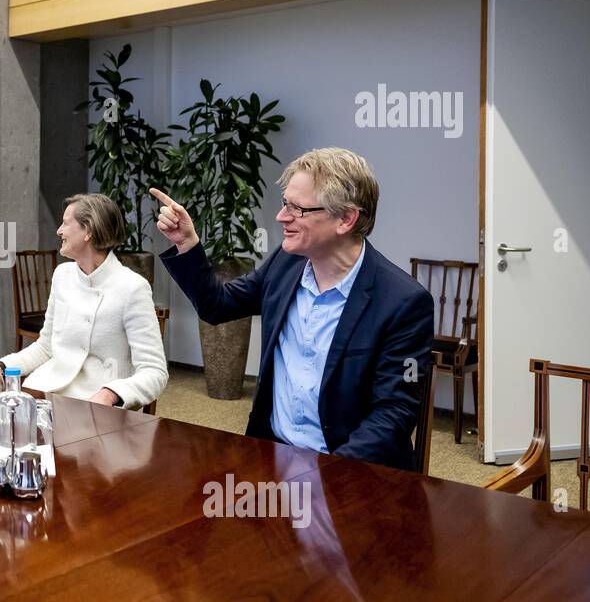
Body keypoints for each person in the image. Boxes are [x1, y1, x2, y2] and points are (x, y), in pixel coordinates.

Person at [152, 146, 433, 470]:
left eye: (297, 209)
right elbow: (218, 305)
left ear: (346, 218)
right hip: (272, 460)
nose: (281, 217)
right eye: (286, 204)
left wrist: (322, 476)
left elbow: (393, 414)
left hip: (354, 477)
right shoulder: (286, 265)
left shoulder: (404, 303)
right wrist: (188, 244)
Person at [0, 193, 168, 409]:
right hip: (48, 391)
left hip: (95, 404)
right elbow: (45, 347)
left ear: (88, 231)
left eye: (66, 224)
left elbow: (155, 372)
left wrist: (111, 394)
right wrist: (1, 367)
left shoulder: (132, 288)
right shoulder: (62, 275)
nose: (59, 230)